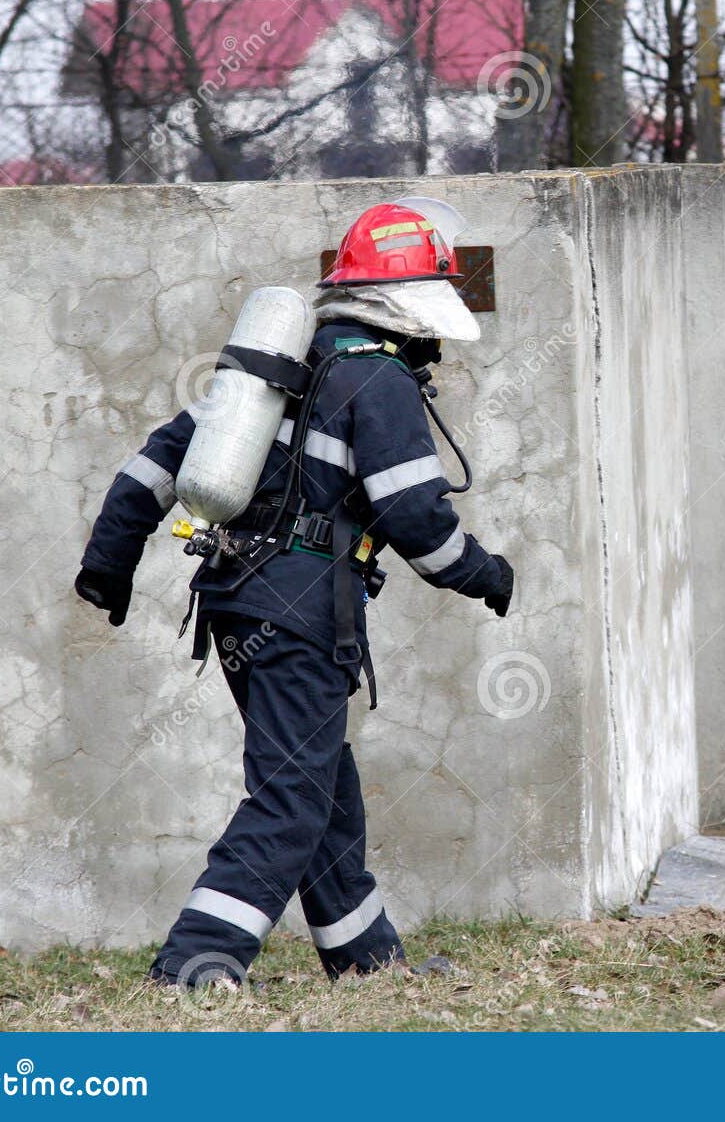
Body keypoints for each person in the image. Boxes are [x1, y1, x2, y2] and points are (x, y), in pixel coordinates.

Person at [74, 197, 513, 984]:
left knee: (324, 791)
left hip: (240, 604)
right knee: (290, 800)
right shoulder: (375, 378)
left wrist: (109, 563)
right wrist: (483, 573)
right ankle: (194, 967)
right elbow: (414, 514)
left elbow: (155, 464)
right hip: (305, 616)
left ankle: (367, 963)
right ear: (410, 307)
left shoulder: (272, 372)